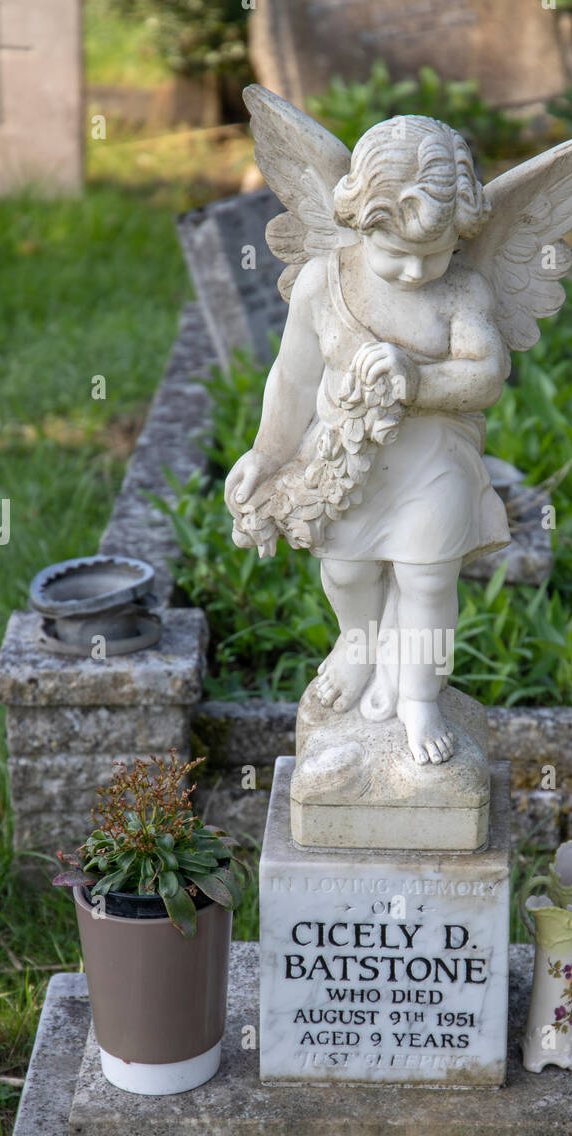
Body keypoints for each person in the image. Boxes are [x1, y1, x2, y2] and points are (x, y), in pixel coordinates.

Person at [225, 115, 511, 766]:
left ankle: (418, 696)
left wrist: (412, 379)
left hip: (433, 462)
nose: (414, 272)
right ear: (359, 222)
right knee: (348, 569)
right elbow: (294, 377)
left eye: (432, 254)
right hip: (347, 462)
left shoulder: (462, 289)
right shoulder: (325, 283)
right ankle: (358, 645)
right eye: (395, 254)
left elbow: (485, 377)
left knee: (427, 579)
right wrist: (267, 453)